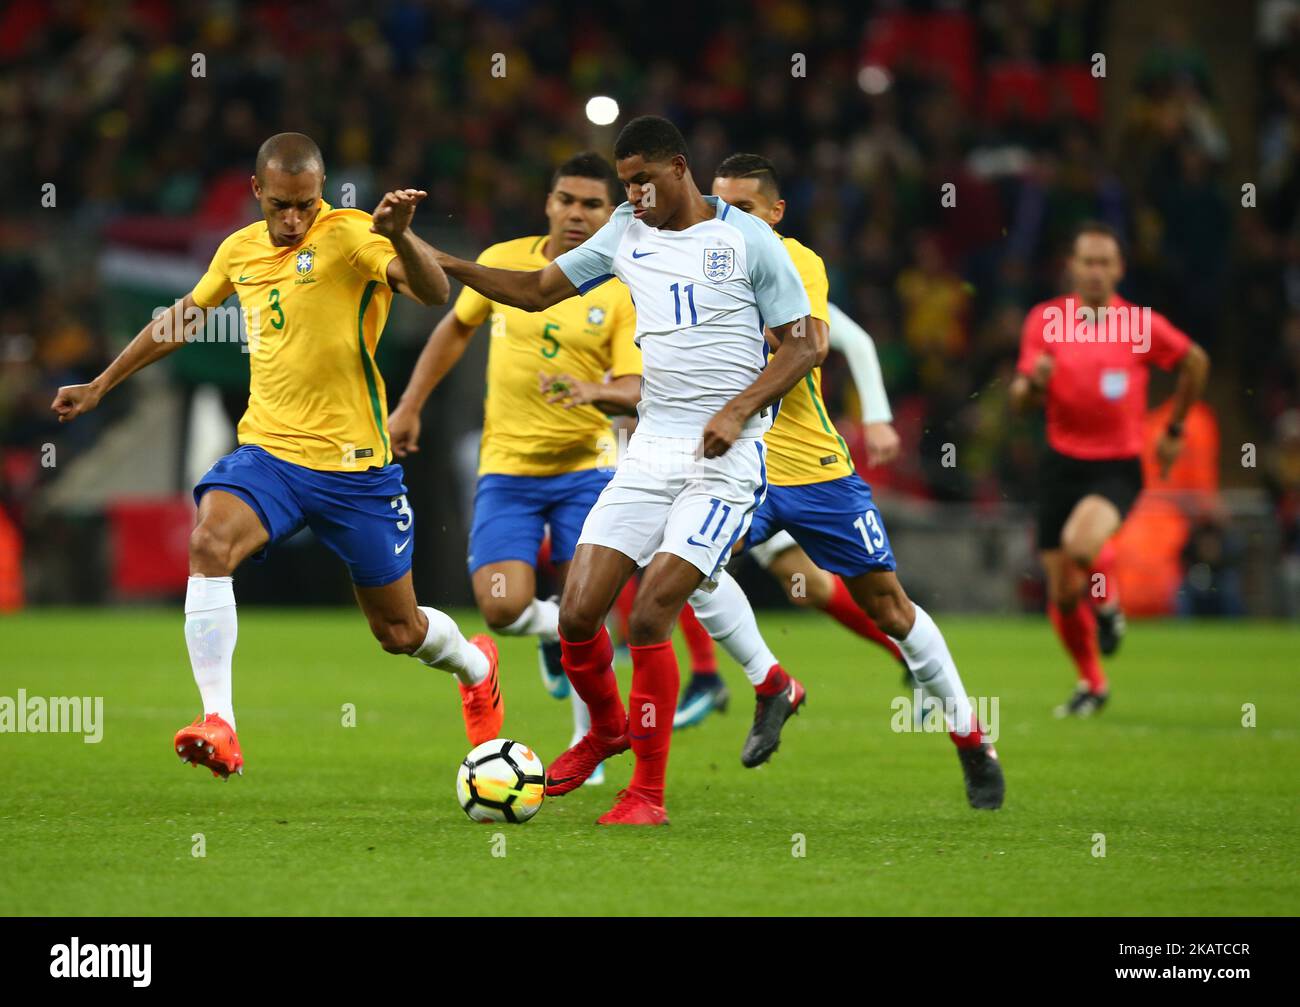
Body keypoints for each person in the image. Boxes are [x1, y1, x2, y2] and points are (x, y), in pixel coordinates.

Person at [50, 133, 502, 779]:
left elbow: (433, 293)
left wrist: (401, 235)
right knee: (209, 544)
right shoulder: (238, 249)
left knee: (399, 632)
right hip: (271, 455)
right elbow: (182, 317)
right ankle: (220, 723)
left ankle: (477, 666)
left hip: (356, 469)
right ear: (257, 192)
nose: (294, 220)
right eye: (282, 206)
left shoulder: (351, 234)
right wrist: (101, 382)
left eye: (306, 205)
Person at [422, 115, 820, 825]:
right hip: (651, 450)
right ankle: (606, 729)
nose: (633, 194)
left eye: (642, 180)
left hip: (725, 459)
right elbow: (538, 289)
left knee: (652, 609)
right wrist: (450, 264)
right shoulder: (627, 233)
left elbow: (806, 343)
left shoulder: (747, 238)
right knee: (577, 612)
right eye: (625, 182)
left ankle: (648, 792)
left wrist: (736, 410)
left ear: (678, 168)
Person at [678, 154, 1004, 811]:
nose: (725, 219)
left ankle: (970, 735)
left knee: (889, 607)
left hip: (816, 468)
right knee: (684, 569)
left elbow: (816, 345)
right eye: (717, 205)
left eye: (742, 208)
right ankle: (770, 683)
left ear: (774, 213)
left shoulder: (795, 261)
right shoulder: (690, 263)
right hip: (739, 468)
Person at [386, 152, 640, 786]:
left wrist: (592, 391)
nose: (577, 214)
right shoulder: (505, 257)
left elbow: (636, 382)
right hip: (508, 472)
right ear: (548, 203)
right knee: (500, 609)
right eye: (567, 200)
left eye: (592, 204)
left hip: (589, 470)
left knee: (587, 608)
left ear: (614, 215)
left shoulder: (622, 283)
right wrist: (411, 404)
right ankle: (555, 633)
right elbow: (454, 328)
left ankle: (589, 739)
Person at [1010, 221, 1210, 716]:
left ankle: (1109, 604)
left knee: (1083, 545)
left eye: (1105, 262)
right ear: (1072, 267)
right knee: (1060, 589)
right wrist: (1033, 383)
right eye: (1087, 261)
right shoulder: (1044, 321)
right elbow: (1018, 401)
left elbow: (1195, 362)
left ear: (1119, 269)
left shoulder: (1139, 325)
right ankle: (1092, 683)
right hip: (1060, 464)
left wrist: (1175, 429)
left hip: (1116, 466)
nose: (1096, 271)